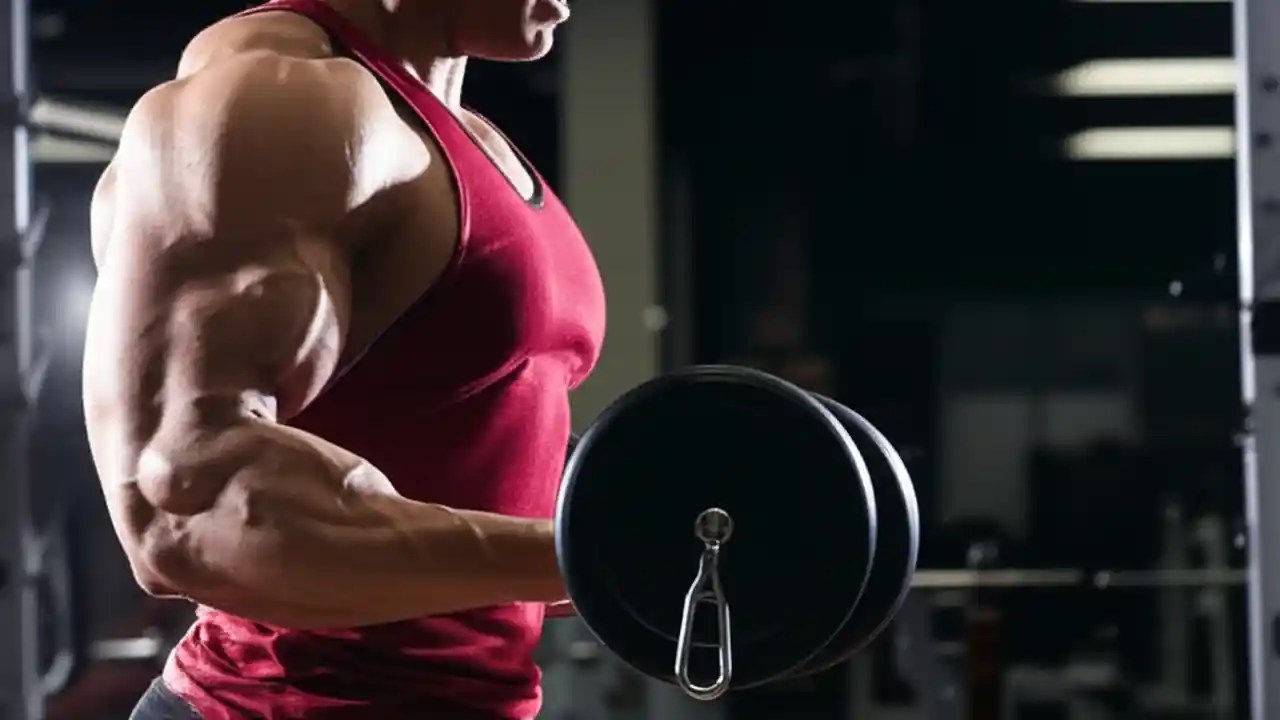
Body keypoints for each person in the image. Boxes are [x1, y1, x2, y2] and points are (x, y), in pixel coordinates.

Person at [82, 0, 604, 717]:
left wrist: (680, 523)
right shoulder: (275, 102)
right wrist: (593, 556)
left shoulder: (470, 139)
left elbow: (468, 453)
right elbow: (185, 508)